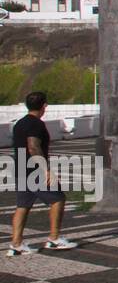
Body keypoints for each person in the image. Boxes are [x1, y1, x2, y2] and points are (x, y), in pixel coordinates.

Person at [8, 91, 78, 256]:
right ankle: (54, 239)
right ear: (44, 106)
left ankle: (16, 244)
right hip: (34, 171)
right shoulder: (36, 124)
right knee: (58, 199)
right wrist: (45, 170)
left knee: (22, 206)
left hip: (21, 169)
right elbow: (33, 147)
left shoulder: (20, 123)